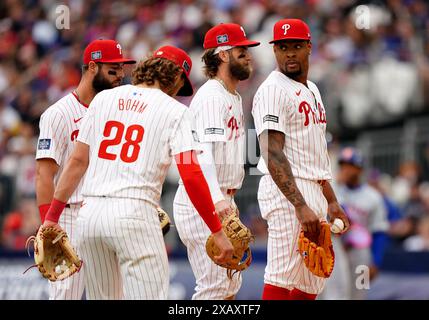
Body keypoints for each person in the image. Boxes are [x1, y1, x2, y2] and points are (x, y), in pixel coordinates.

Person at [42, 45, 234, 300]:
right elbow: (190, 174)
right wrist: (216, 231)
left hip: (90, 219)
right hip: (135, 215)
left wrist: (51, 219)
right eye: (181, 85)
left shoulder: (103, 99)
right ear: (175, 77)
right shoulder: (176, 111)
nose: (179, 92)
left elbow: (77, 162)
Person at [251, 18, 350, 300]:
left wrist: (331, 200)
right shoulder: (272, 90)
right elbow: (272, 152)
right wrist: (300, 205)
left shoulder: (314, 90)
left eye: (296, 46)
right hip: (287, 193)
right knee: (282, 276)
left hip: (314, 187)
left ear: (309, 47)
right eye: (283, 47)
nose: (289, 53)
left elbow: (317, 153)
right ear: (275, 51)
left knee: (311, 281)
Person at [35, 39, 135, 300]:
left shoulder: (117, 112)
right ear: (92, 67)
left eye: (122, 70)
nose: (120, 76)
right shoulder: (58, 114)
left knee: (112, 295)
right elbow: (44, 174)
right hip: (70, 214)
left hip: (108, 212)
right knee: (65, 294)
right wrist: (48, 223)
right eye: (113, 70)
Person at [173, 23, 260, 300]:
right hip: (205, 198)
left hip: (221, 197)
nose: (248, 55)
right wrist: (217, 201)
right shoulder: (212, 95)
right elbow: (203, 154)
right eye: (241, 50)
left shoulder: (231, 95)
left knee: (228, 288)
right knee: (214, 289)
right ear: (222, 54)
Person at [322, 147, 389, 300]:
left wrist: (376, 261)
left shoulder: (373, 197)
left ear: (359, 169)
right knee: (335, 295)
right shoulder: (334, 191)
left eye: (350, 165)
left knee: (359, 295)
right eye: (343, 165)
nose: (346, 169)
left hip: (361, 253)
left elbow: (379, 231)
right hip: (336, 248)